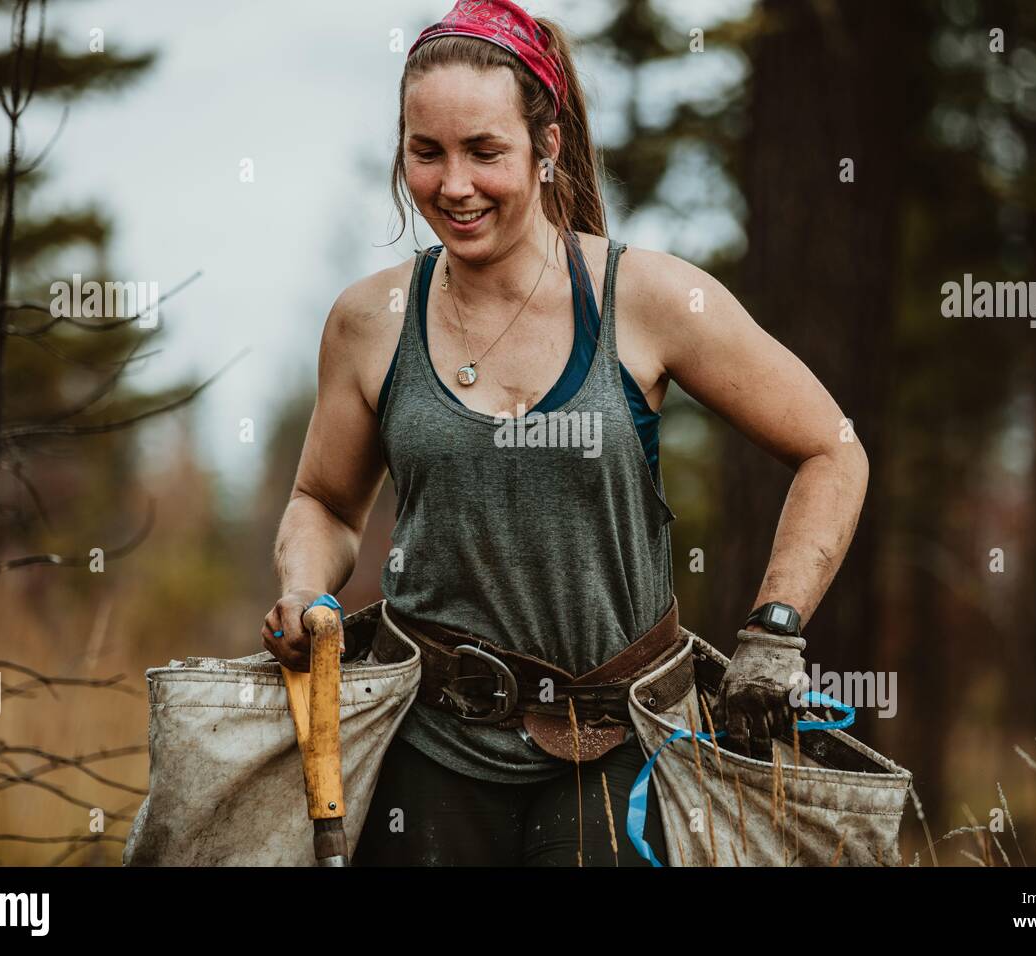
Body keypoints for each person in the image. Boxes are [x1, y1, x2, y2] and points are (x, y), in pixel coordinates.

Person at [261, 0, 868, 867]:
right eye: (425, 152)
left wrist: (775, 628)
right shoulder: (370, 321)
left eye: (485, 152)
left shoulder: (650, 301)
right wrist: (305, 587)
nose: (454, 185)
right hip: (429, 748)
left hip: (618, 749)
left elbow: (832, 447)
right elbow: (323, 502)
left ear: (546, 149)